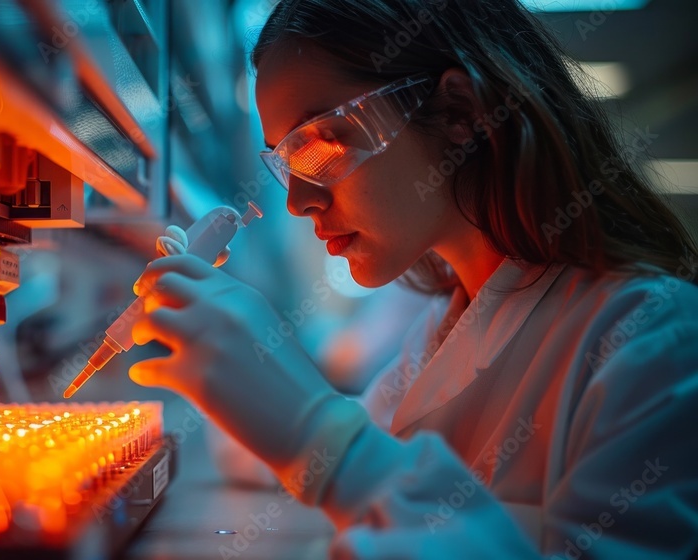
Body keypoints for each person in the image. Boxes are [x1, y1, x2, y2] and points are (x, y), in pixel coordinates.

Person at [129, 0, 698, 558]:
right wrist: (225, 360)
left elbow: (359, 465)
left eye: (320, 144)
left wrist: (325, 440)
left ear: (459, 113)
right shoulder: (442, 331)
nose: (298, 200)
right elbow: (359, 459)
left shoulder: (656, 340)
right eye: (284, 161)